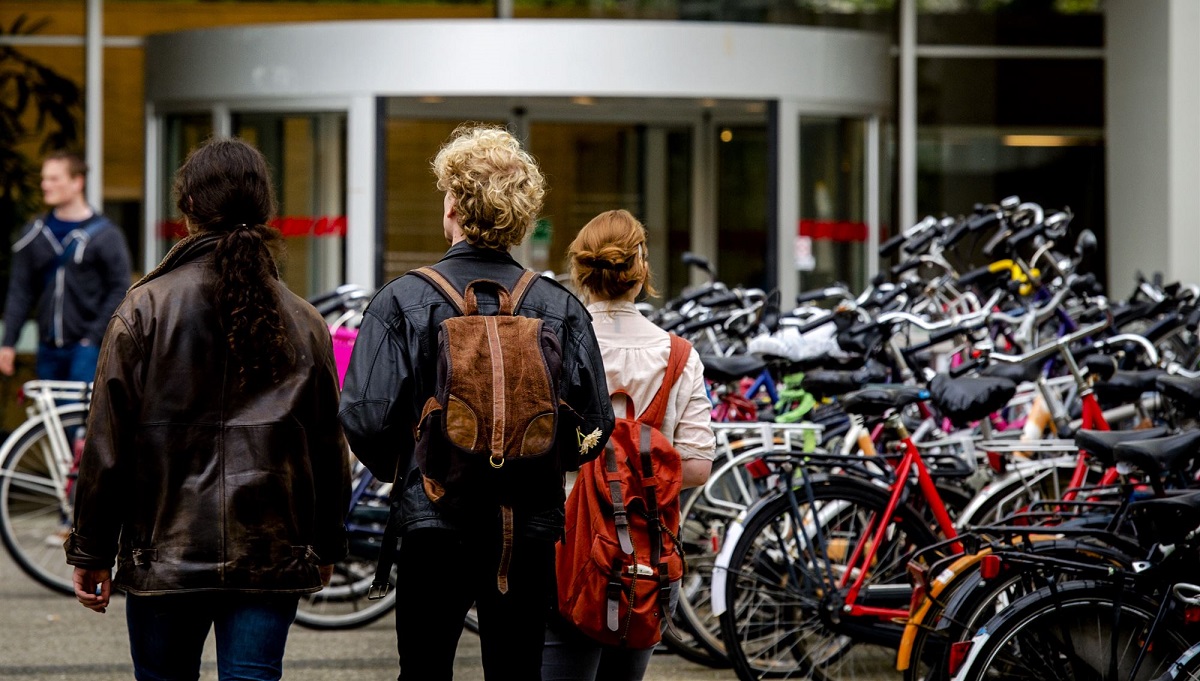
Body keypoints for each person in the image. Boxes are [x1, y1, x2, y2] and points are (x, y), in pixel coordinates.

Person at [64, 137, 351, 681]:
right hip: (269, 553)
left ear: (188, 210)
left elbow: (106, 447)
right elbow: (327, 449)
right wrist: (326, 543)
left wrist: (91, 550)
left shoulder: (143, 309)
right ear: (265, 211)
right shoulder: (304, 320)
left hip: (164, 555)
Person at [338, 123, 615, 681]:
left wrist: (416, 465)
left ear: (456, 208)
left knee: (425, 669)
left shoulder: (403, 299)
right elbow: (596, 425)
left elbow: (363, 415)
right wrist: (537, 457)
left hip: (433, 519)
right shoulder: (558, 305)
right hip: (528, 527)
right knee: (516, 672)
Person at [543, 209, 715, 681]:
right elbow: (698, 466)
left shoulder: (554, 345)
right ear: (641, 269)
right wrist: (644, 459)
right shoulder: (680, 356)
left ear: (581, 273)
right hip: (647, 554)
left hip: (566, 551)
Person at [0, 151, 131, 382]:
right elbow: (20, 291)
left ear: (77, 182)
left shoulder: (105, 235)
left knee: (77, 416)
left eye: (54, 179)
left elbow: (120, 289)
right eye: (44, 179)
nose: (45, 185)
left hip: (87, 349)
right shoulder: (34, 234)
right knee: (52, 416)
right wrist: (8, 342)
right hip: (47, 349)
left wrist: (92, 336)